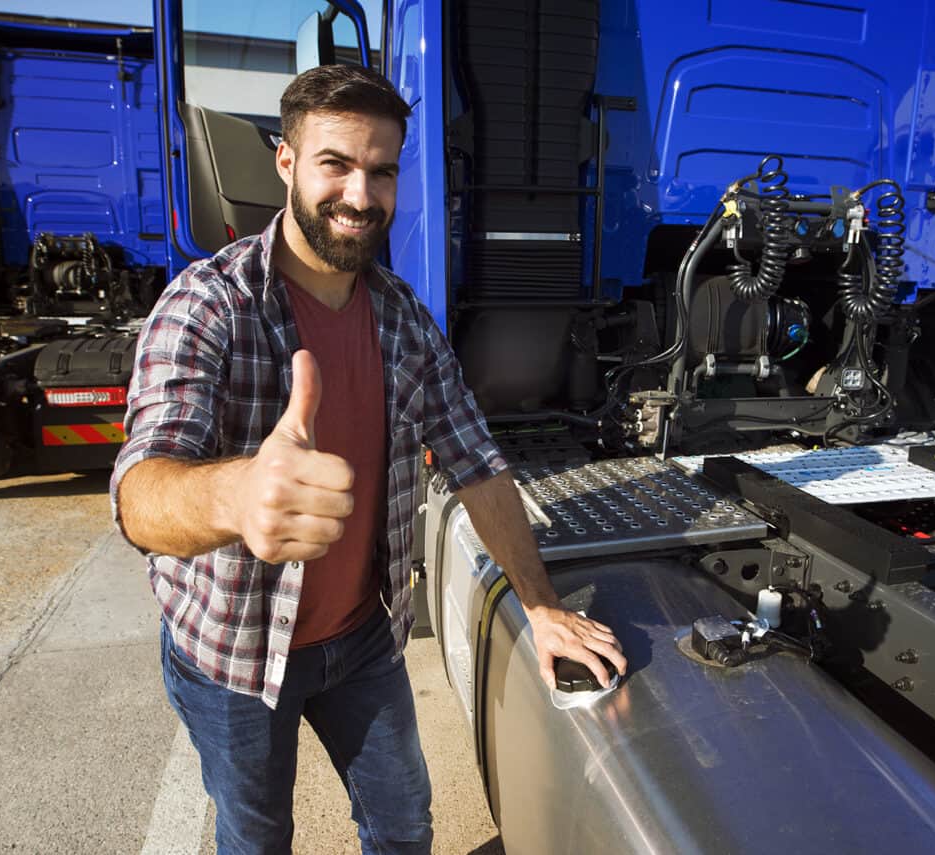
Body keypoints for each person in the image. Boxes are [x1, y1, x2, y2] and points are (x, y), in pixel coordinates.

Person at [111, 64, 626, 855]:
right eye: (336, 164)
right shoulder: (208, 304)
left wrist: (542, 603)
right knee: (257, 837)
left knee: (403, 826)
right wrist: (237, 495)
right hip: (234, 652)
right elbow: (141, 490)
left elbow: (477, 461)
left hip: (360, 640)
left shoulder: (403, 318)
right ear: (286, 162)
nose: (360, 194)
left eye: (381, 171)